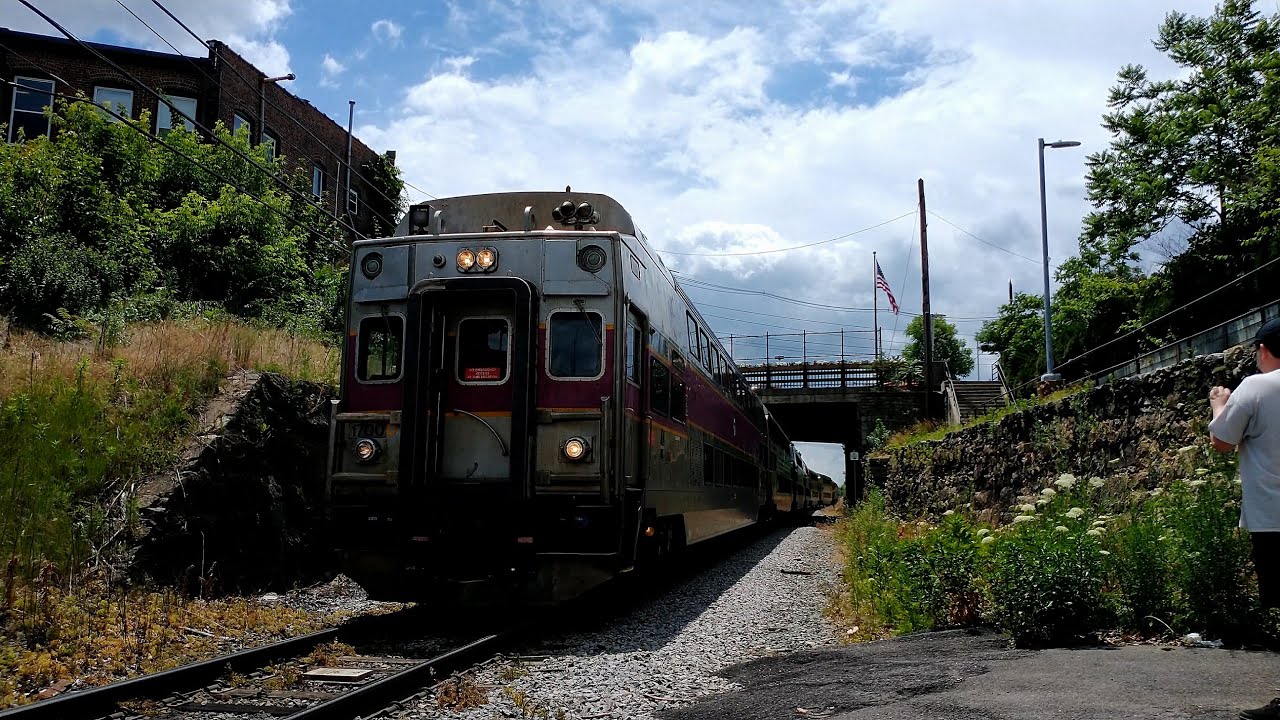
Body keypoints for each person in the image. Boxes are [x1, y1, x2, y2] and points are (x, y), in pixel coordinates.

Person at [1208, 318, 1280, 720]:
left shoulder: (1256, 386)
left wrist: (1220, 402)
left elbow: (1222, 439)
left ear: (1265, 349)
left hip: (1275, 516)